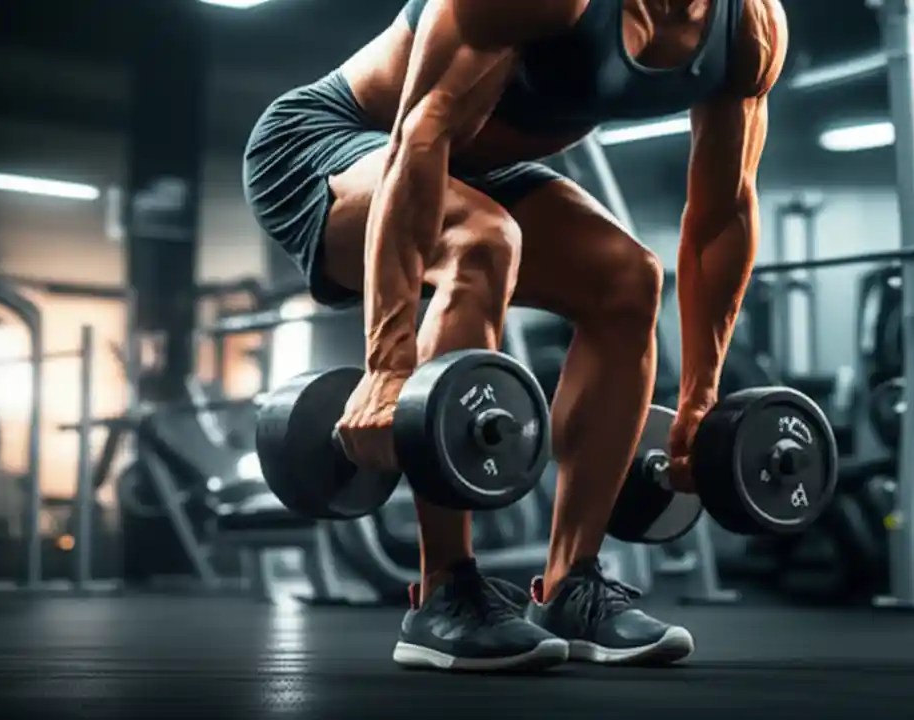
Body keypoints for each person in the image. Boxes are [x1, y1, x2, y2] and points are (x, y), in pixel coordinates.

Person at [243, 0, 786, 672]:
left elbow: (721, 215)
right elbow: (422, 133)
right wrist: (388, 367)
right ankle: (443, 591)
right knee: (481, 242)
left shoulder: (750, 28)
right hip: (333, 142)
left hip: (476, 167)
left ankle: (571, 584)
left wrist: (703, 396)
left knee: (627, 280)